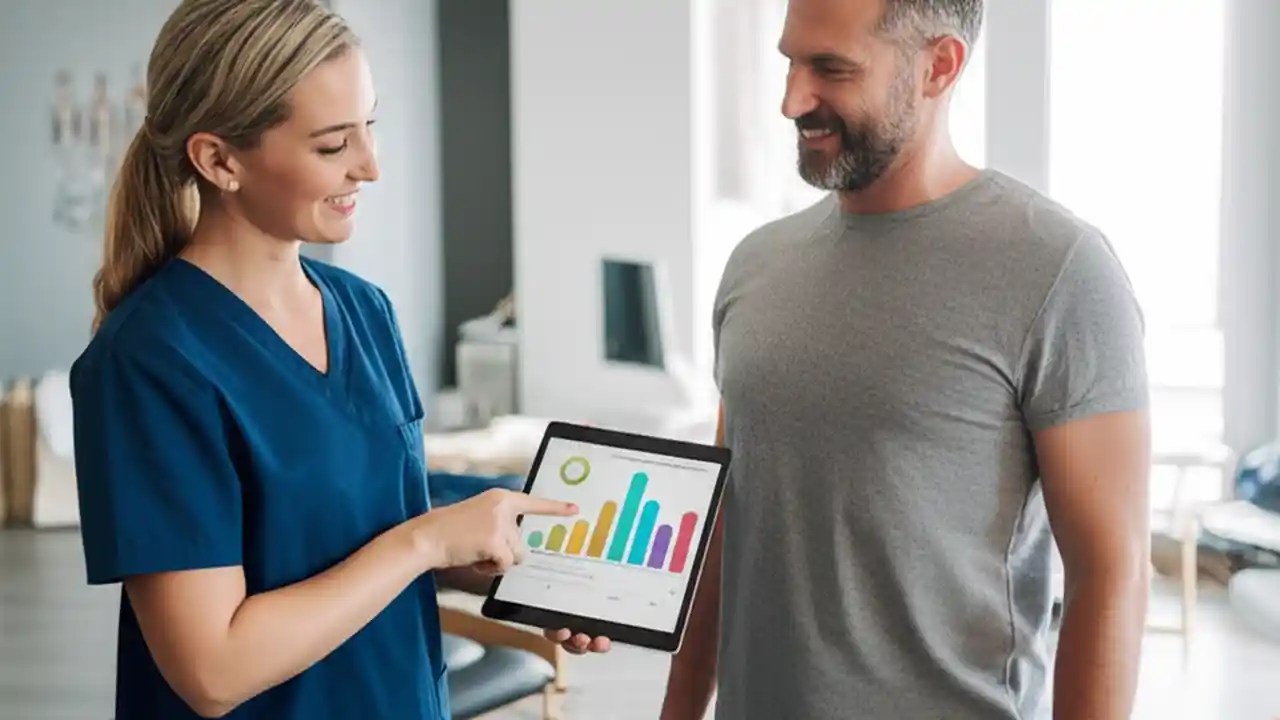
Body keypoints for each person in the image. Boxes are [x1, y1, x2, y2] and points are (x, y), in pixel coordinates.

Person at [548, 0, 1152, 718]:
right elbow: (727, 528)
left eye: (831, 69)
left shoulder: (1058, 269)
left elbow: (1110, 574)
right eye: (790, 62)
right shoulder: (756, 266)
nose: (792, 100)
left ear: (939, 66)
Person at [69, 1, 577, 718]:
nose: (370, 166)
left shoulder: (365, 312)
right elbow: (212, 669)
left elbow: (357, 541)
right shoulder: (148, 362)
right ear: (220, 160)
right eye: (334, 145)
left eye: (371, 125)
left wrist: (503, 573)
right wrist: (426, 539)